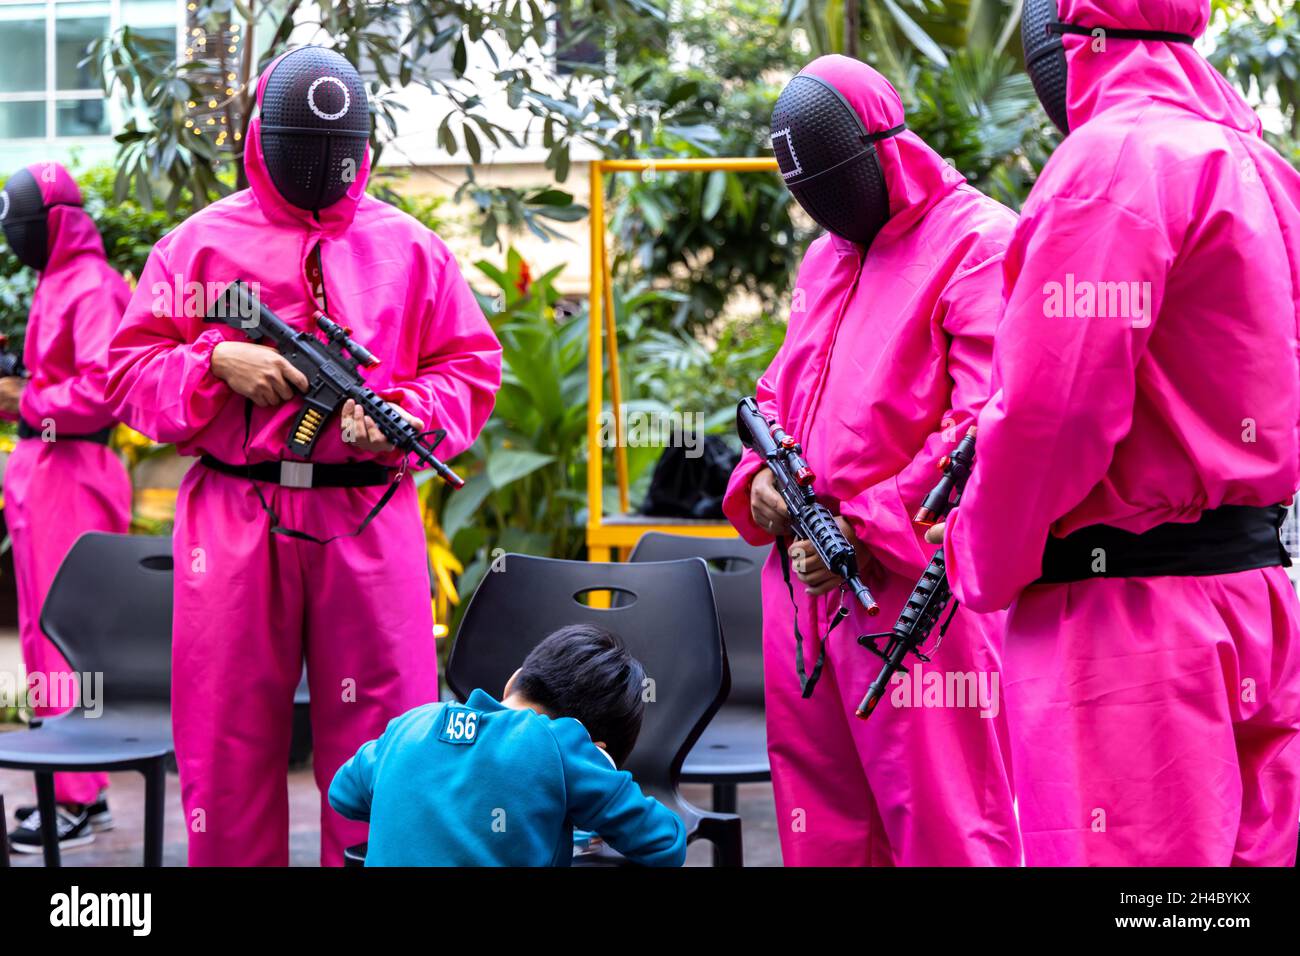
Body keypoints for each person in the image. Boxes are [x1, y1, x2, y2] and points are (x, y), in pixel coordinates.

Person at [106, 46, 502, 866]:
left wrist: (403, 412)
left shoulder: (413, 249)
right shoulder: (195, 246)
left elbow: (469, 370)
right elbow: (128, 375)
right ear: (263, 140)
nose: (322, 165)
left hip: (370, 515)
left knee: (387, 739)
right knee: (225, 735)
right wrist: (214, 361)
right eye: (302, 147)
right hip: (235, 513)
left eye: (338, 149)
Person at [937, 0, 1300, 865]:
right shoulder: (1264, 168)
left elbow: (1049, 413)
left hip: (1127, 627)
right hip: (1255, 598)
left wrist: (978, 555)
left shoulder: (1111, 161)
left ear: (1070, 44)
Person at [721, 54, 1020, 866]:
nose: (823, 207)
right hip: (805, 598)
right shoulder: (826, 259)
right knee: (823, 831)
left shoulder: (979, 243)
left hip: (918, 602)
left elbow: (983, 428)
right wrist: (761, 488)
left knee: (946, 828)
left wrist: (857, 526)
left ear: (883, 148)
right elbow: (777, 394)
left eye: (834, 182)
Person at [0, 161, 133, 854]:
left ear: (51, 223)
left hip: (72, 472)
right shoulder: (58, 280)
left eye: (19, 221)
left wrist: (20, 400)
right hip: (41, 469)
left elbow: (104, 391)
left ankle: (78, 796)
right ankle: (74, 790)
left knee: (65, 634)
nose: (13, 233)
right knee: (38, 632)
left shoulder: (91, 287)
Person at [329, 624, 686, 867]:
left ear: (514, 680)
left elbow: (343, 794)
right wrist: (596, 767)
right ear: (593, 746)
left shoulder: (410, 724)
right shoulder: (563, 746)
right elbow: (665, 844)